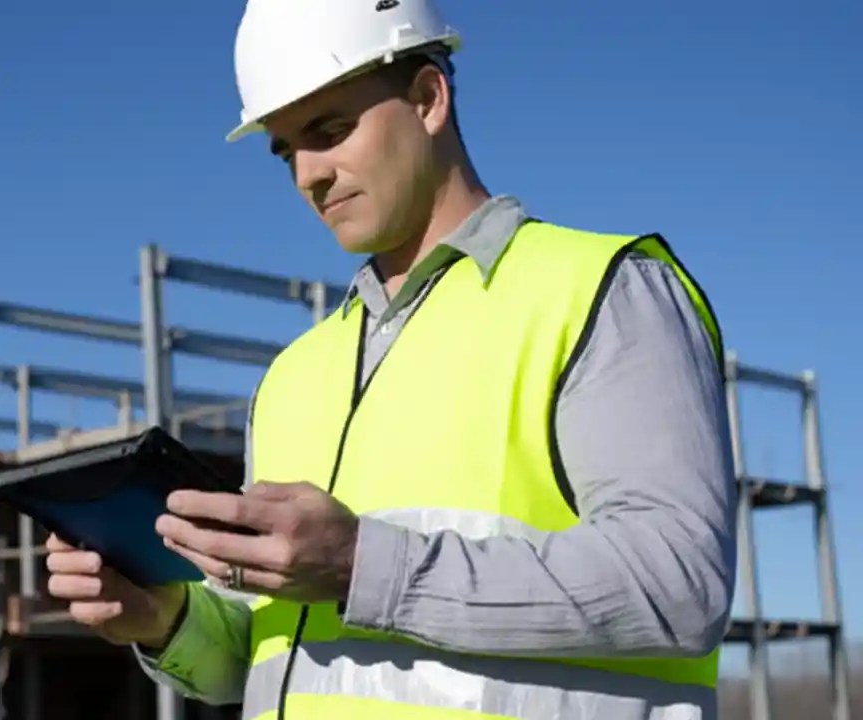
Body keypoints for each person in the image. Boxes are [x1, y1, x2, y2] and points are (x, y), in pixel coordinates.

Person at [44, 0, 738, 718]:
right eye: (285, 150)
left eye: (330, 130)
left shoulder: (599, 290)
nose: (309, 175)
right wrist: (164, 620)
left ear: (428, 98)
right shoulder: (294, 375)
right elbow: (270, 661)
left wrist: (360, 564)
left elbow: (679, 586)